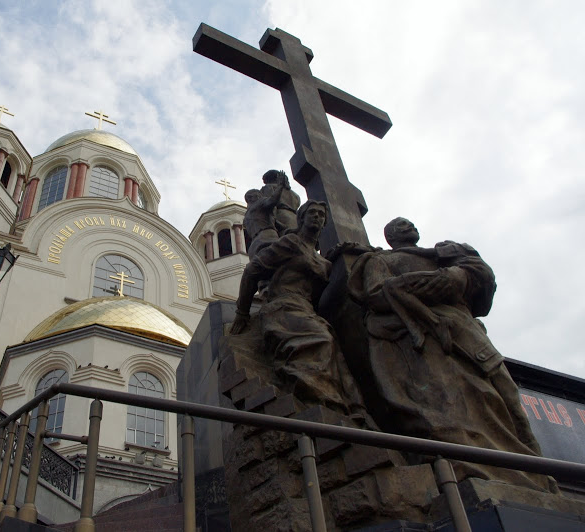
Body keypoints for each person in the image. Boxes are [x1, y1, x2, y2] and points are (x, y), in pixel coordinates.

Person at [347, 217, 557, 492]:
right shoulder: (380, 261)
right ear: (390, 237)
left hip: (469, 332)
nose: (408, 226)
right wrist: (422, 296)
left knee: (507, 398)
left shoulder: (444, 255)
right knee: (469, 399)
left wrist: (459, 275)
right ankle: (479, 470)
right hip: (434, 341)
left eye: (409, 223)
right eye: (400, 226)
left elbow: (481, 289)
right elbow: (376, 294)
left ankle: (539, 475)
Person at [231, 200, 366, 417]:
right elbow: (252, 271)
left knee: (335, 349)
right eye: (311, 213)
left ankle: (348, 409)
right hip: (283, 307)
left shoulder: (324, 263)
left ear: (325, 223)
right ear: (301, 218)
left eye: (321, 215)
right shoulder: (290, 243)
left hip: (306, 311)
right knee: (321, 340)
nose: (317, 217)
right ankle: (324, 405)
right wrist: (242, 313)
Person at [242, 185, 282, 261]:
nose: (250, 198)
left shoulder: (261, 202)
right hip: (255, 239)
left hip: (266, 234)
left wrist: (280, 187)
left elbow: (272, 200)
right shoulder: (248, 213)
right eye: (248, 197)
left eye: (251, 196)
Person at [261, 170, 301, 236]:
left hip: (280, 218)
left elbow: (267, 204)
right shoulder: (294, 194)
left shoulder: (268, 188)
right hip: (295, 220)